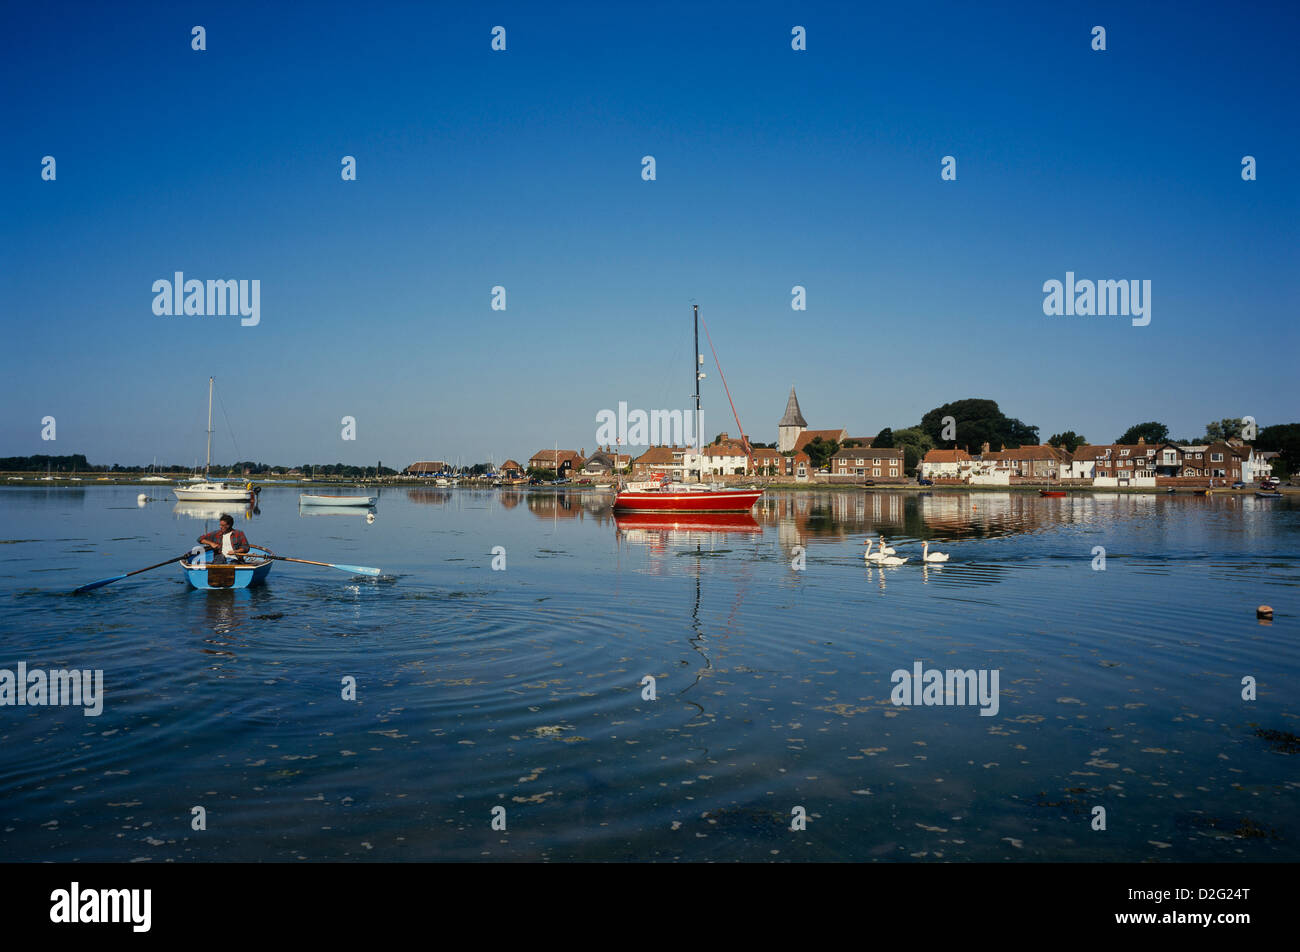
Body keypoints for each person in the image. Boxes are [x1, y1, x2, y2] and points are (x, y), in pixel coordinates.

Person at [198, 514, 271, 564]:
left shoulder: (239, 533)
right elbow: (200, 539)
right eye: (220, 525)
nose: (220, 527)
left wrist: (235, 551)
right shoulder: (216, 533)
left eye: (223, 525)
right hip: (220, 558)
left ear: (228, 525)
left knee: (233, 563)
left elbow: (246, 548)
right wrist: (211, 543)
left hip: (235, 559)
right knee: (219, 560)